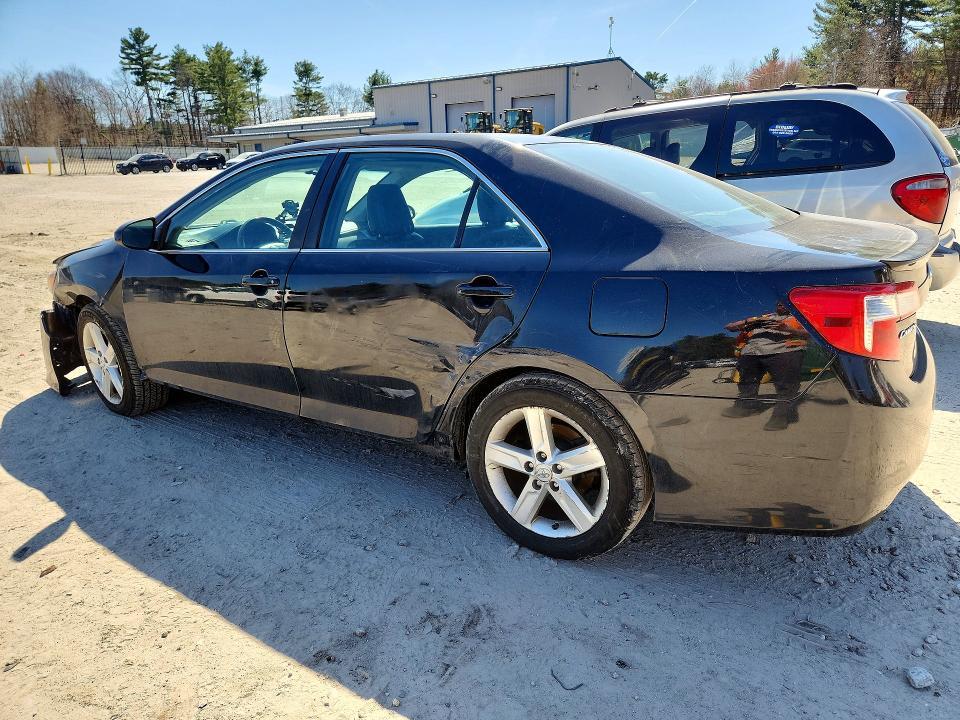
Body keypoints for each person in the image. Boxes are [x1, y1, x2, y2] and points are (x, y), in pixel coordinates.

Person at [721, 303, 809, 431]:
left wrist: (787, 329)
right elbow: (729, 327)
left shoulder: (800, 317)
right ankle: (747, 407)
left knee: (786, 385)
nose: (782, 305)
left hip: (784, 349)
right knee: (746, 381)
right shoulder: (762, 317)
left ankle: (781, 416)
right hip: (752, 351)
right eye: (779, 303)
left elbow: (813, 333)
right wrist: (747, 323)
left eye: (785, 303)